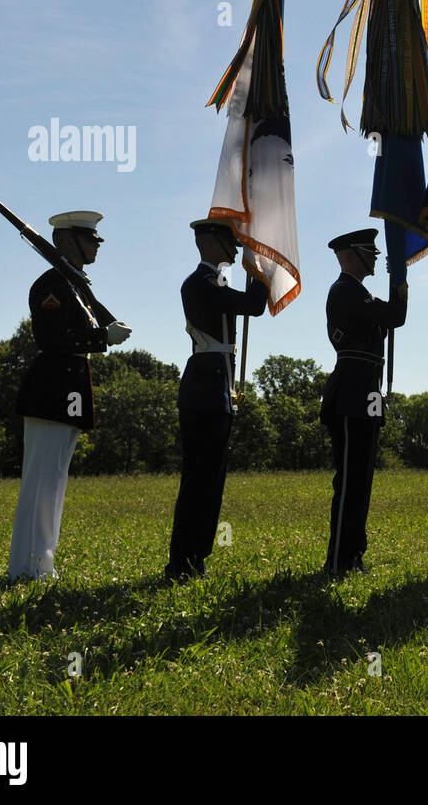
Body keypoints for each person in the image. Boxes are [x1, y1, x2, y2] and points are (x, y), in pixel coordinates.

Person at [11, 211, 131, 581]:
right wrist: (100, 339)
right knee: (41, 482)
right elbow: (50, 340)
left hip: (69, 390)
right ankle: (27, 568)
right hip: (51, 389)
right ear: (65, 241)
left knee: (55, 482)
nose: (96, 245)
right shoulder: (52, 285)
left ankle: (42, 563)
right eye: (89, 238)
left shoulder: (74, 284)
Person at [164, 219, 268, 583]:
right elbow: (254, 306)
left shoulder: (216, 282)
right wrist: (258, 267)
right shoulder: (200, 283)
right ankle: (181, 563)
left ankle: (196, 560)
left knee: (212, 481)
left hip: (216, 385)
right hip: (205, 386)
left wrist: (255, 264)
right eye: (231, 243)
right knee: (199, 481)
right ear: (210, 243)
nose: (236, 250)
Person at [320, 229, 407, 576]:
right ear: (352, 254)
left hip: (369, 391)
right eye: (370, 252)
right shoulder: (344, 290)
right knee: (349, 479)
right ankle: (339, 558)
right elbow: (395, 316)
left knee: (363, 478)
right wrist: (399, 280)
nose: (375, 257)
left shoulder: (360, 292)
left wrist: (396, 281)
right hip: (351, 389)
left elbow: (390, 317)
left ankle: (354, 555)